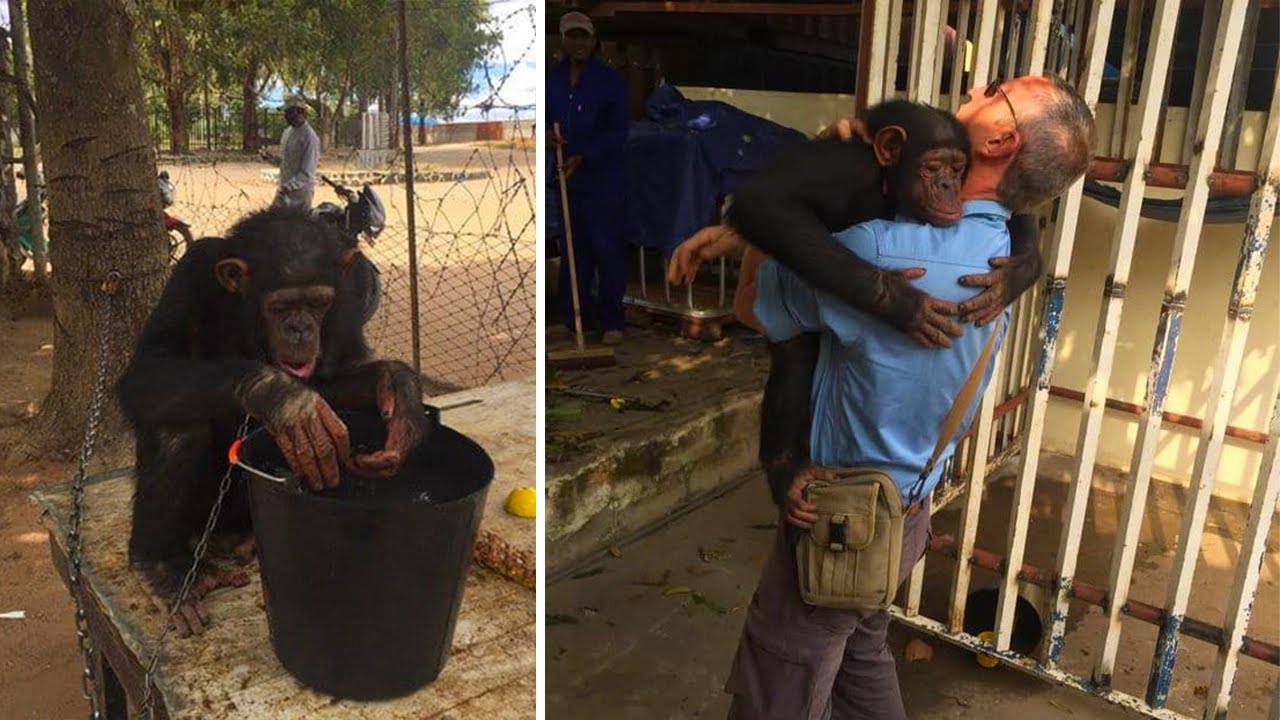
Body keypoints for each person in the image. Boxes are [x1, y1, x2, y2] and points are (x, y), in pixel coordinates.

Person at [720, 76, 1095, 719]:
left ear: (1001, 139)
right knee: (863, 648)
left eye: (996, 89)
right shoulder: (1001, 249)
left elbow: (749, 304)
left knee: (783, 674)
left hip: (841, 512)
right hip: (911, 504)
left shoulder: (882, 249)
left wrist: (783, 220)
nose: (975, 87)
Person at [547, 11, 630, 346]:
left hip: (603, 179)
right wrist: (548, 138)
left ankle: (612, 321)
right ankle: (574, 319)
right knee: (573, 250)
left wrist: (586, 155)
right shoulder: (554, 79)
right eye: (572, 36)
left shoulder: (608, 81)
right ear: (563, 40)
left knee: (606, 250)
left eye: (584, 37)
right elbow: (547, 120)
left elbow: (618, 131)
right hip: (569, 179)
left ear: (593, 40)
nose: (578, 43)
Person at [269, 96, 321, 210]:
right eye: (285, 112)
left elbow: (306, 173)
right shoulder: (287, 133)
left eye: (289, 112)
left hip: (300, 193)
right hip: (284, 190)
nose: (285, 116)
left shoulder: (310, 137)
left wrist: (288, 187)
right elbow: (284, 162)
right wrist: (270, 159)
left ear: (299, 111)